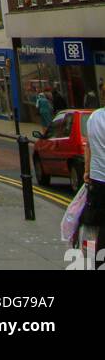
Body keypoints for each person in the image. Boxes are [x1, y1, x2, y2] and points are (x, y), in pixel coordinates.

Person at [81, 104, 105, 263]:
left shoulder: (94, 116)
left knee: (98, 224)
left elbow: (88, 146)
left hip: (97, 179)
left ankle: (95, 262)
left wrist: (87, 170)